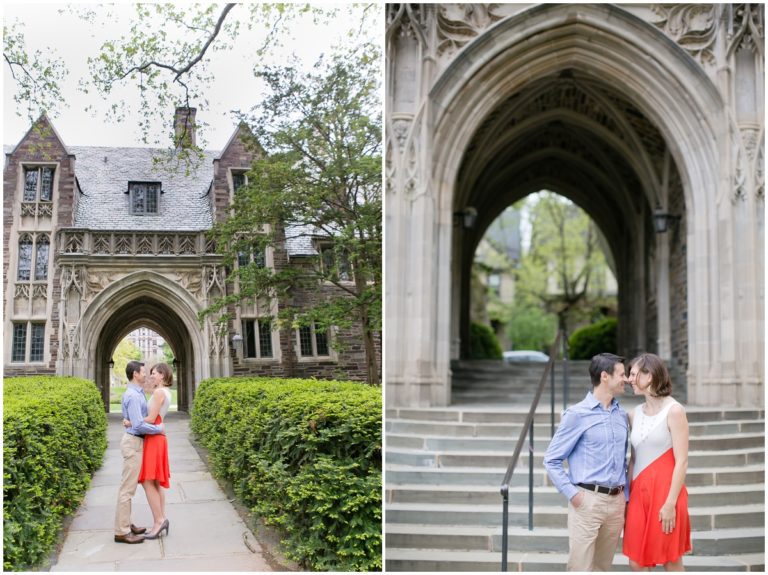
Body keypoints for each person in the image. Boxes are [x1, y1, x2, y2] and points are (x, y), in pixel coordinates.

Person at [543, 353, 629, 571]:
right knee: (580, 568)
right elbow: (551, 460)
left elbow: (623, 461)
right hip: (587, 501)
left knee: (602, 568)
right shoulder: (577, 414)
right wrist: (575, 496)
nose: (626, 378)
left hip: (616, 503)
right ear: (604, 377)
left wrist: (625, 498)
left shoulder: (623, 415)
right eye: (621, 374)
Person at [623, 353, 691, 571]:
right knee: (636, 561)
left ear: (649, 376)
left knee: (671, 559)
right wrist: (627, 496)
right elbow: (633, 459)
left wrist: (670, 503)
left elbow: (682, 461)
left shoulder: (675, 411)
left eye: (633, 374)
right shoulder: (633, 415)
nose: (629, 379)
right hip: (638, 493)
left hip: (666, 493)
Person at [114, 361, 164, 544]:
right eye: (143, 372)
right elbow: (138, 424)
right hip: (133, 443)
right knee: (127, 489)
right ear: (136, 374)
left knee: (130, 487)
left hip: (136, 442)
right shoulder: (134, 396)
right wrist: (159, 429)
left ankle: (126, 523)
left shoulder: (136, 393)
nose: (146, 375)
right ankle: (122, 531)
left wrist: (133, 422)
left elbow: (132, 420)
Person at [135, 363, 173, 539]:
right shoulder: (166, 392)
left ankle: (159, 520)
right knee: (156, 481)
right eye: (150, 374)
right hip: (158, 438)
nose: (151, 376)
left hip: (154, 439)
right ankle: (161, 519)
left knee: (148, 481)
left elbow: (151, 418)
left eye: (154, 374)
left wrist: (133, 421)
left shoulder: (159, 392)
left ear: (163, 376)